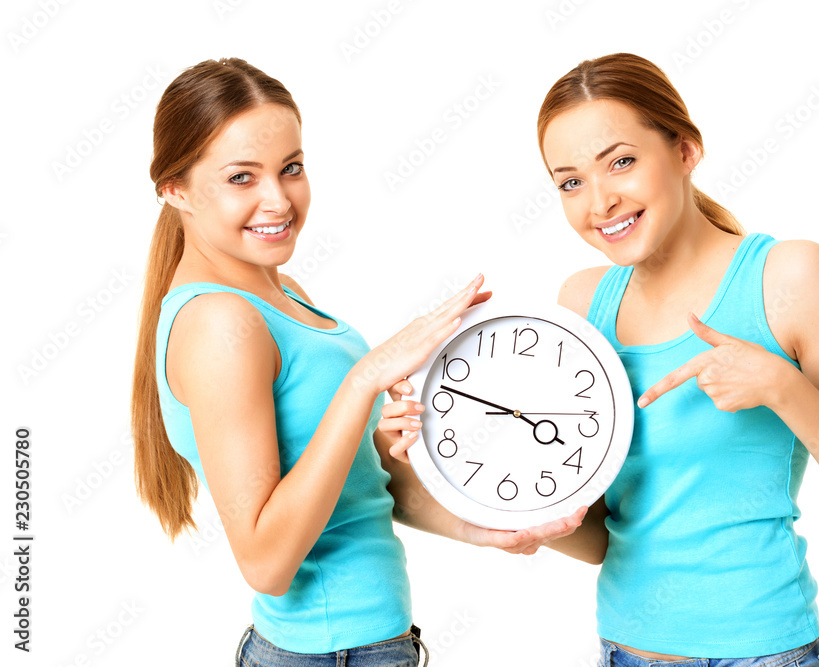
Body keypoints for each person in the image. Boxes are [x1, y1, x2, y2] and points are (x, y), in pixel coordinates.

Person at [383, 53, 819, 666]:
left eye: (622, 163)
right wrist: (509, 506)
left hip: (767, 652)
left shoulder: (788, 277)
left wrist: (781, 387)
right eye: (571, 182)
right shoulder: (581, 305)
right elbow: (610, 534)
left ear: (685, 150)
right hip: (625, 651)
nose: (600, 201)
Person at [130, 57, 581, 667]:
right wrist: (366, 377)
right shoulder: (220, 323)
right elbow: (266, 561)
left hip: (368, 647)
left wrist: (484, 530)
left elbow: (358, 489)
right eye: (242, 177)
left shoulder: (281, 293)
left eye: (290, 169)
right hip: (324, 654)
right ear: (174, 188)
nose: (277, 200)